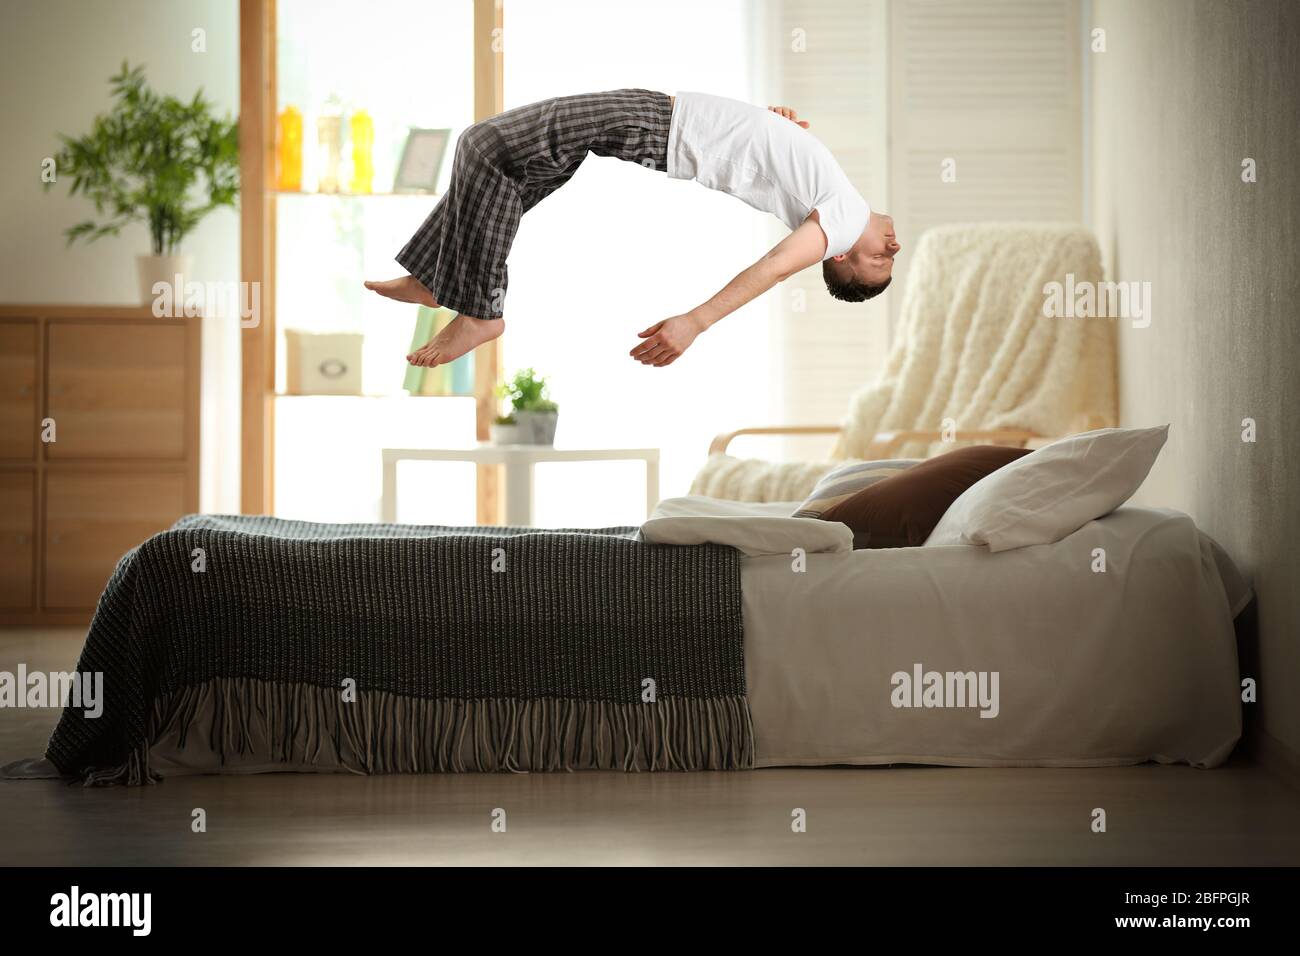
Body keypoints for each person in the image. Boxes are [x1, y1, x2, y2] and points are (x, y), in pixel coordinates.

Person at [365, 89, 900, 368]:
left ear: (839, 256)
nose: (892, 247)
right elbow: (767, 159)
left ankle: (480, 311)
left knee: (484, 145)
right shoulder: (836, 203)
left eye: (878, 261)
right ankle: (435, 277)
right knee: (517, 170)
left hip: (659, 122)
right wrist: (774, 125)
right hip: (662, 122)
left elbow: (774, 267)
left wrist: (697, 321)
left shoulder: (845, 224)